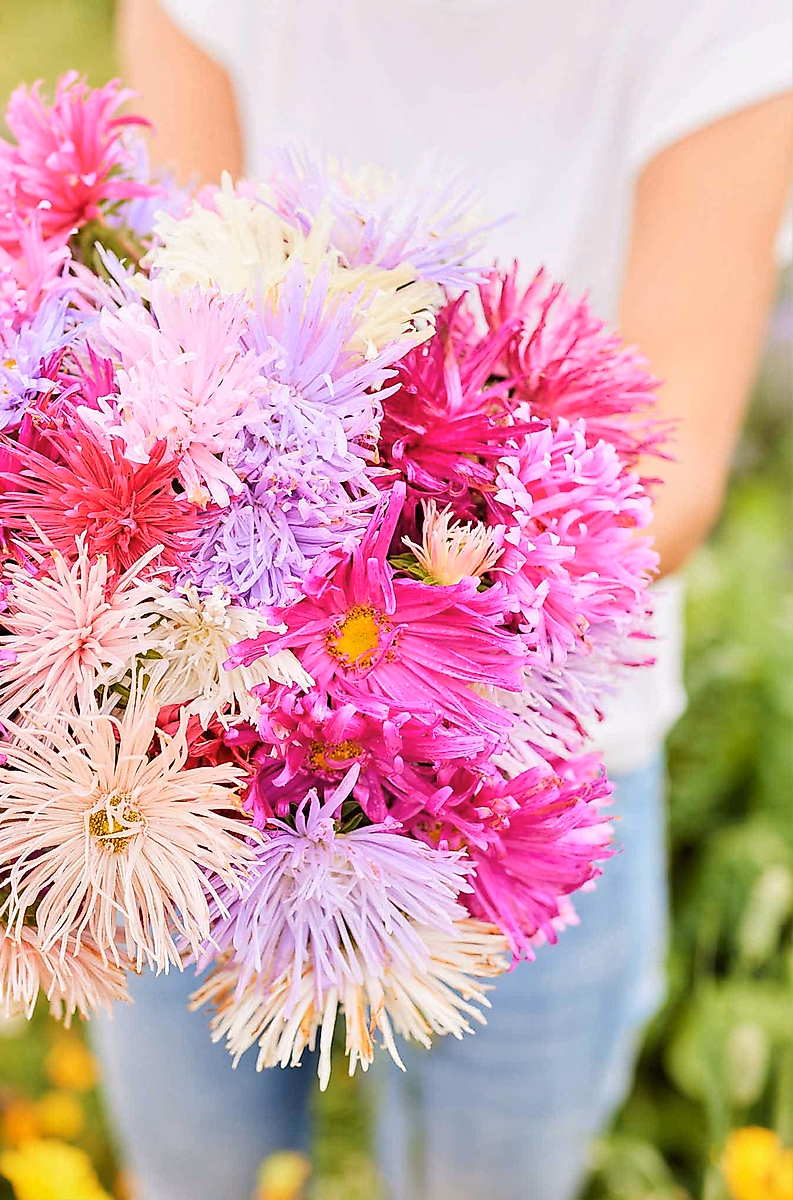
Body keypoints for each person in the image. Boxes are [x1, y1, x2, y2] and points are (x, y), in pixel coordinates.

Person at [91, 2, 793, 1198]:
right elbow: (169, 339)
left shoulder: (719, 24)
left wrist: (392, 577)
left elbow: (659, 480)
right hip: (182, 732)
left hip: (528, 761)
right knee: (197, 1172)